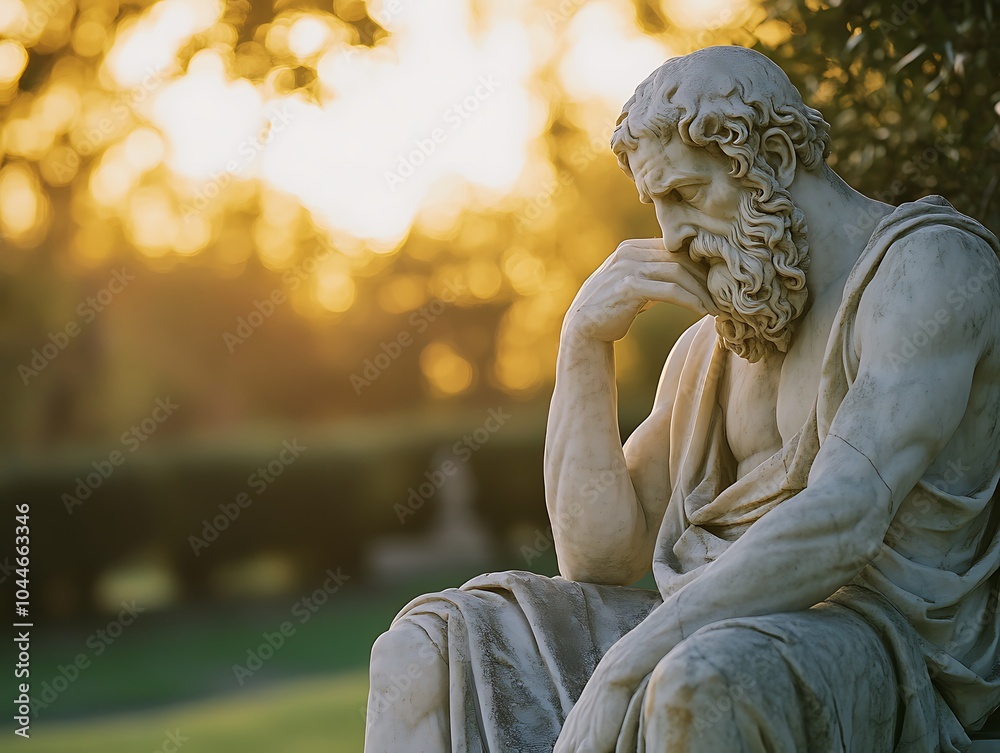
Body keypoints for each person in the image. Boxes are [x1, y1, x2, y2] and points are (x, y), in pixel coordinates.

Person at [365, 46, 1000, 752]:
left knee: (698, 679)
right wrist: (582, 346)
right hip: (712, 624)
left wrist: (624, 669)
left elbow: (844, 517)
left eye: (687, 195)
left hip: (889, 648)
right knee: (424, 648)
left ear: (778, 159)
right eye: (654, 202)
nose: (668, 236)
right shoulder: (715, 345)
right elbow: (600, 556)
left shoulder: (927, 271)